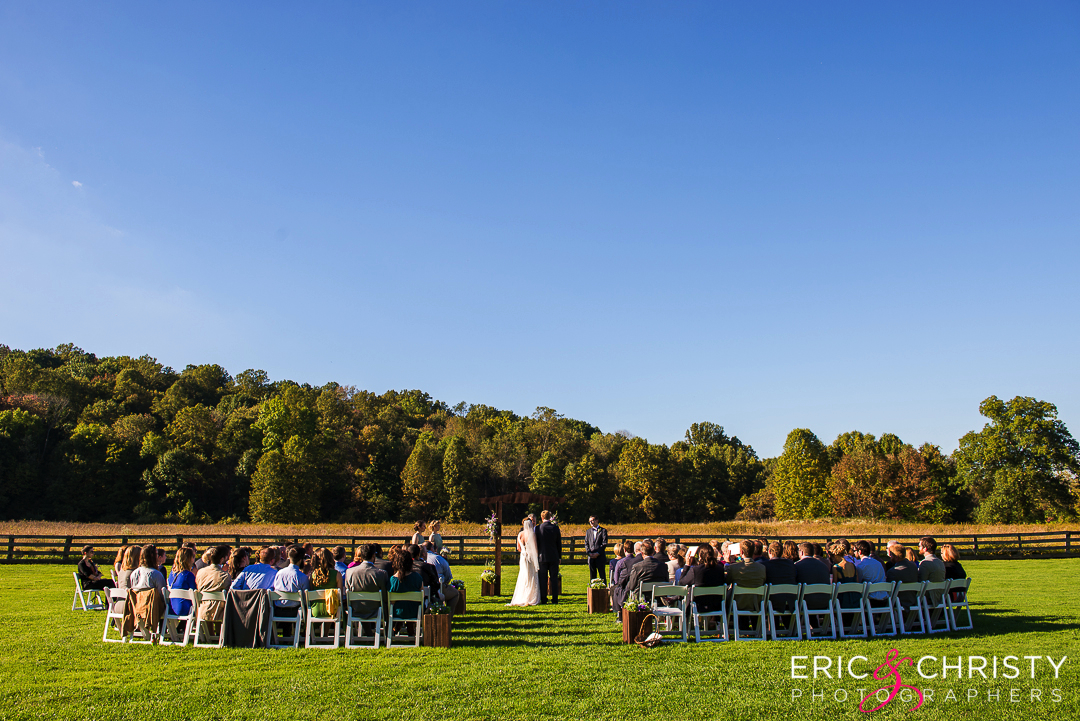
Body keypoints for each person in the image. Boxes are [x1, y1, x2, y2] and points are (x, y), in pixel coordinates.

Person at [345, 544, 389, 620]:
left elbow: (347, 593)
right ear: (373, 556)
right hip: (375, 612)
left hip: (355, 610)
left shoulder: (349, 572)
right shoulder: (381, 574)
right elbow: (385, 597)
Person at [622, 539, 669, 605]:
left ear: (642, 553)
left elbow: (631, 586)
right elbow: (666, 582)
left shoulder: (637, 567)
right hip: (659, 600)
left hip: (641, 601)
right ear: (653, 552)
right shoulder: (663, 566)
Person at [678, 546, 724, 610]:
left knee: (689, 590)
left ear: (700, 555)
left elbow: (681, 583)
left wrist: (687, 565)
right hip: (717, 606)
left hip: (698, 606)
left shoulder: (695, 570)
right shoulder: (720, 569)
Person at [508, 518, 541, 606]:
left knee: (523, 575)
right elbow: (535, 548)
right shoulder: (532, 534)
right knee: (531, 576)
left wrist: (524, 551)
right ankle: (530, 597)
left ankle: (522, 596)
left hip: (523, 557)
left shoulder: (520, 534)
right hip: (530, 557)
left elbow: (518, 548)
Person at [388, 546, 423, 622]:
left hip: (397, 612)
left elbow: (392, 601)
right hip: (414, 612)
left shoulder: (393, 580)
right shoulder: (417, 577)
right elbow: (421, 595)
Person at [307, 547, 344, 619]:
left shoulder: (312, 575)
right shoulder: (337, 574)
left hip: (315, 610)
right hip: (332, 610)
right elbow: (340, 596)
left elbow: (311, 591)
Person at [272, 545, 309, 615]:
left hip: (278, 611)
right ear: (300, 560)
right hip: (295, 612)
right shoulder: (302, 577)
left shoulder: (279, 573)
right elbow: (306, 598)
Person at [535, 510, 562, 604]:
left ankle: (544, 598)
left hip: (542, 556)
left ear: (542, 518)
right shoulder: (555, 528)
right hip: (554, 556)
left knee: (543, 578)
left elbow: (537, 543)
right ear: (550, 517)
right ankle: (555, 599)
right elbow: (559, 543)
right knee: (554, 578)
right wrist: (559, 556)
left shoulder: (538, 528)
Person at [852, 540, 888, 605]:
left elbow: (858, 583)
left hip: (870, 600)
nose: (854, 553)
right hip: (884, 598)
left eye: (854, 551)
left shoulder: (861, 566)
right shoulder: (878, 563)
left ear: (859, 552)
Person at [885, 543, 920, 608]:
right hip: (913, 600)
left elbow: (888, 590)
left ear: (896, 557)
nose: (890, 557)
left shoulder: (893, 572)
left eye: (891, 555)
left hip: (899, 602)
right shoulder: (913, 566)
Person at [828, 541, 860, 609]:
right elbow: (857, 583)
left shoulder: (836, 567)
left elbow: (834, 586)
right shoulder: (853, 566)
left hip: (842, 602)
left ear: (835, 556)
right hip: (855, 600)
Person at [168, 547, 198, 617]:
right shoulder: (188, 575)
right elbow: (195, 592)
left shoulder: (171, 574)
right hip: (185, 609)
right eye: (193, 556)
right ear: (188, 559)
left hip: (172, 608)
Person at [584, 516, 608, 584]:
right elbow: (586, 543)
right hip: (591, 557)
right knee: (592, 576)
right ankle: (593, 589)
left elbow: (604, 543)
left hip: (600, 556)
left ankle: (604, 588)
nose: (591, 522)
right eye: (590, 521)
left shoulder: (603, 531)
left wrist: (598, 553)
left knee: (602, 575)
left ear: (597, 520)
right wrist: (589, 553)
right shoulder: (588, 531)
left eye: (592, 520)